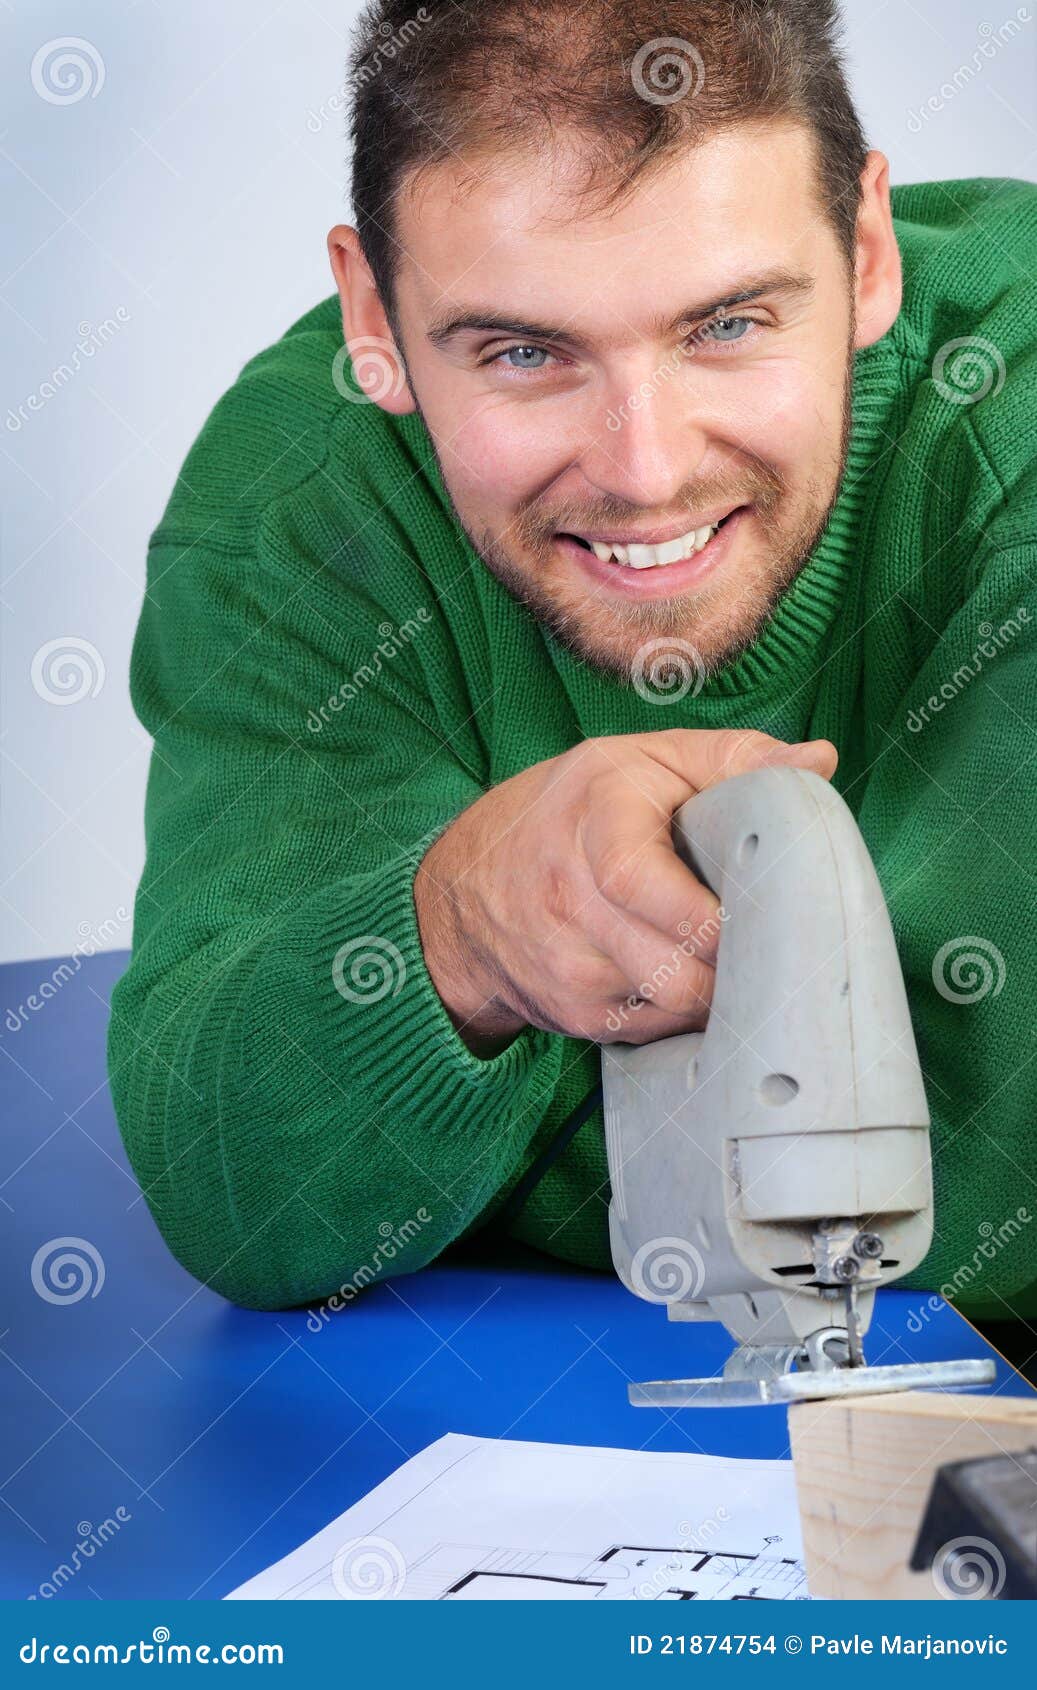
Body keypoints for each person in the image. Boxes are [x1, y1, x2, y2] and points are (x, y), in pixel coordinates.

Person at [108, 0, 1037, 1324]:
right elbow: (234, 1188)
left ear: (868, 253)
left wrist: (509, 1091)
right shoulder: (299, 510)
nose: (646, 471)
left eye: (726, 324)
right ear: (372, 314)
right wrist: (466, 928)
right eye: (524, 352)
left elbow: (1001, 1177)